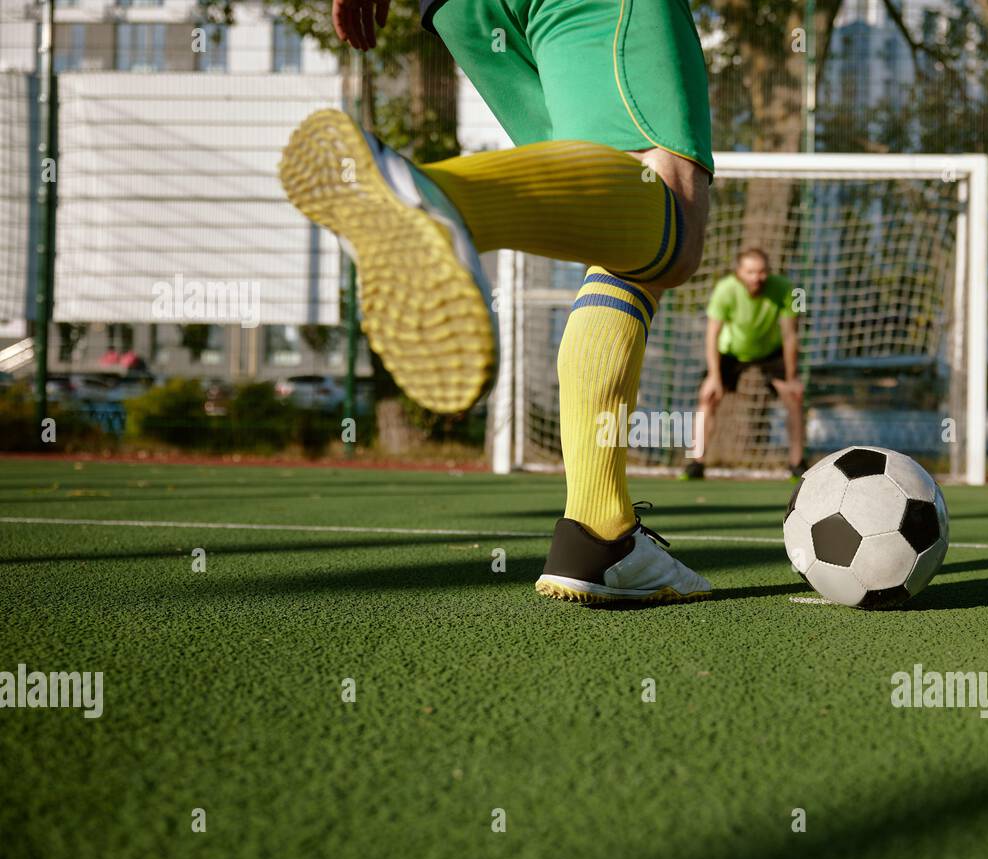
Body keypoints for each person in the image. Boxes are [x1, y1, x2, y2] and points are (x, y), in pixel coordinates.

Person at [280, 0, 714, 604]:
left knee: (620, 234)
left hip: (461, 11)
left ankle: (601, 533)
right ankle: (443, 196)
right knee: (667, 205)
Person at [684, 248, 806, 480]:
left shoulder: (787, 289)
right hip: (731, 351)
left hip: (771, 350)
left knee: (795, 397)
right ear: (739, 272)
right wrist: (714, 375)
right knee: (708, 396)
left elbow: (791, 336)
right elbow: (712, 335)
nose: (756, 278)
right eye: (750, 272)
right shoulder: (724, 290)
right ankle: (696, 463)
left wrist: (792, 378)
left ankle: (797, 463)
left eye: (761, 272)